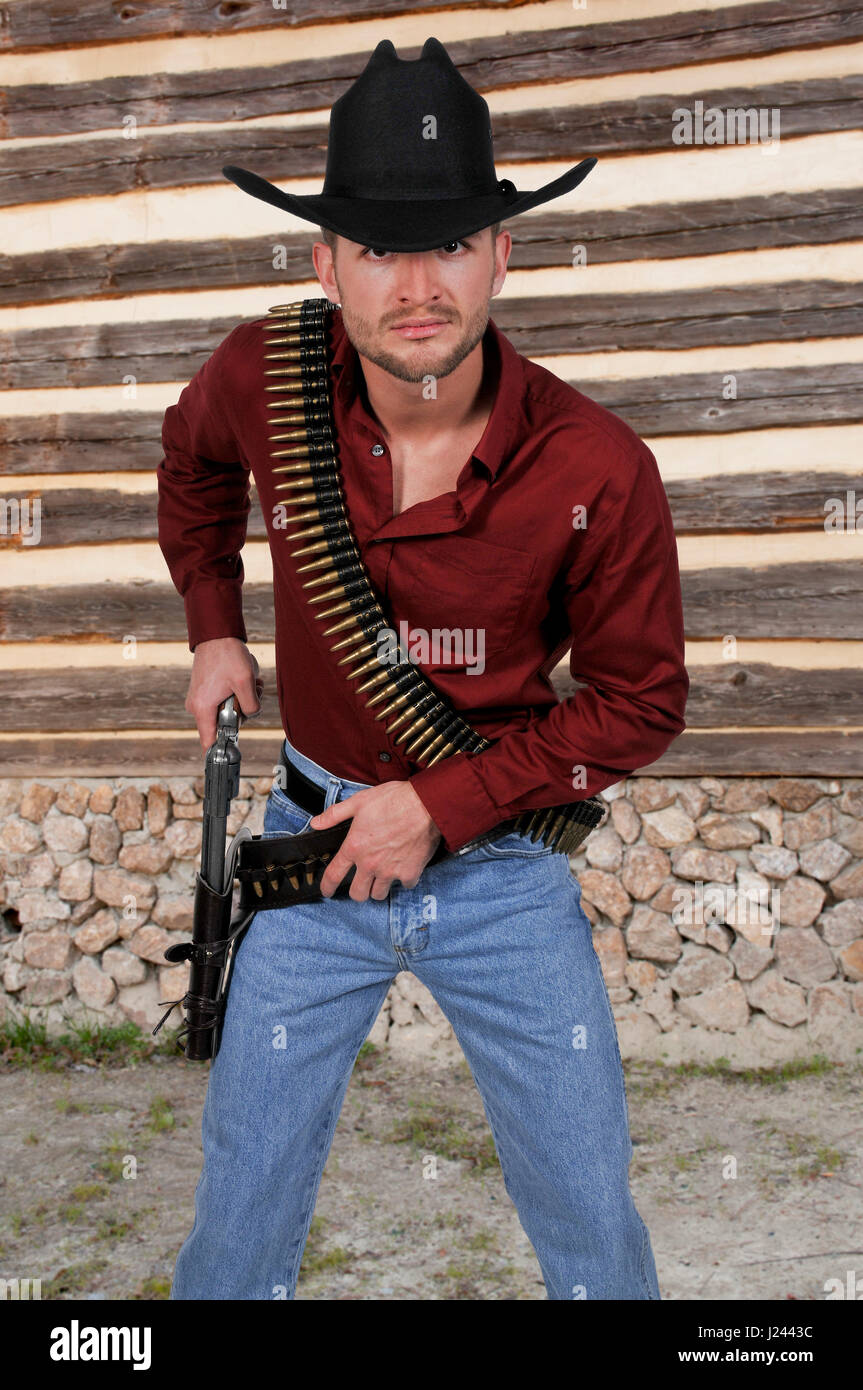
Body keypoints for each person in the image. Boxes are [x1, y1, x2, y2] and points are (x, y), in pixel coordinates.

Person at [157, 36, 689, 1300]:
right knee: (238, 1210)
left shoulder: (595, 468)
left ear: (501, 253)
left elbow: (639, 700)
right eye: (381, 247)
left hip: (500, 866)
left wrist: (438, 807)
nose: (417, 284)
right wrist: (212, 621)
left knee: (586, 1209)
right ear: (324, 261)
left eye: (449, 242)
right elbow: (192, 470)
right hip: (309, 836)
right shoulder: (260, 377)